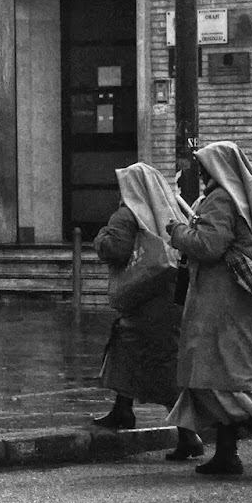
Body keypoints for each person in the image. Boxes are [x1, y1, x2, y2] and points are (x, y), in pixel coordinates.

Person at [164, 140, 252, 476]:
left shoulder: (221, 198)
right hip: (244, 299)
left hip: (222, 300)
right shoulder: (246, 197)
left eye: (204, 167)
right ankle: (226, 453)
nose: (201, 173)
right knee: (227, 370)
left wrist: (177, 232)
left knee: (213, 370)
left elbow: (208, 245)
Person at [91, 162, 203, 460]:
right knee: (129, 352)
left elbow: (115, 249)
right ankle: (122, 409)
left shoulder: (127, 214)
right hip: (170, 298)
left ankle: (188, 435)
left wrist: (101, 235)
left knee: (159, 365)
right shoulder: (167, 210)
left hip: (144, 301)